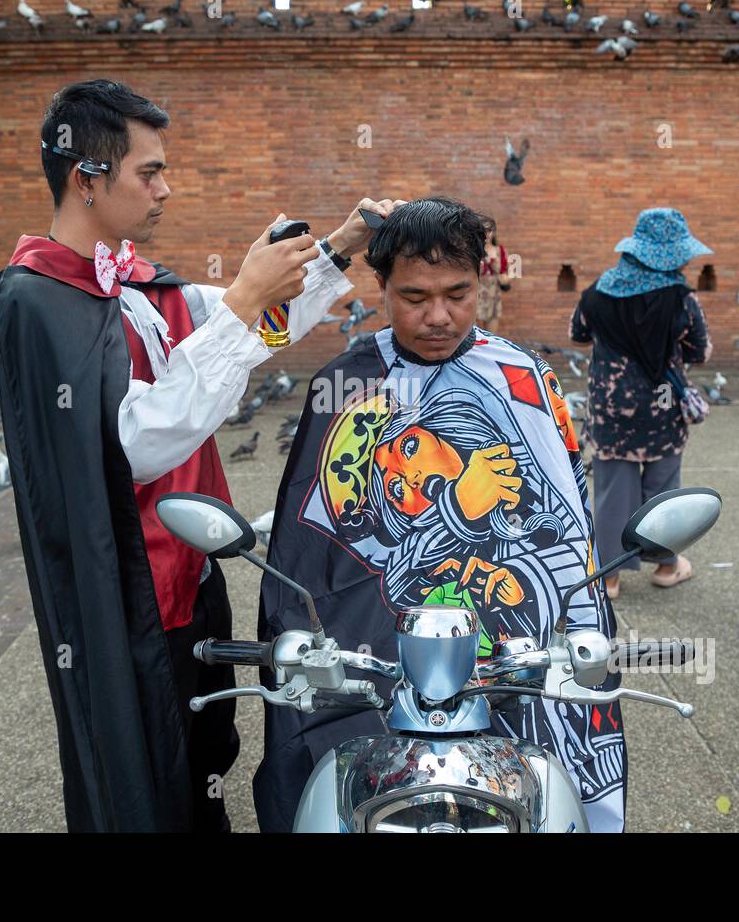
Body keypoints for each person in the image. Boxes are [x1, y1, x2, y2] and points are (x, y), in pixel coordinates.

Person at [0, 79, 388, 831]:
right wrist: (241, 300)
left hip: (187, 568)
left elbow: (253, 333)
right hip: (128, 589)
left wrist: (339, 246)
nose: (165, 189)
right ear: (87, 179)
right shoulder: (36, 298)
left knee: (200, 750)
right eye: (149, 172)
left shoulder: (135, 284)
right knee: (149, 759)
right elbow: (133, 444)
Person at [256, 197, 626, 832]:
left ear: (482, 280)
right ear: (380, 287)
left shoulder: (528, 380)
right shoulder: (344, 387)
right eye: (413, 296)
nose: (437, 316)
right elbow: (319, 566)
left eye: (457, 293)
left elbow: (571, 531)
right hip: (390, 661)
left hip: (515, 652)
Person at [570, 208, 712, 599]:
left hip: (610, 408)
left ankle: (610, 579)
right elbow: (699, 351)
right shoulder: (681, 298)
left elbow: (578, 332)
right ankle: (667, 567)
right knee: (664, 490)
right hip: (662, 407)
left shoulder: (597, 292)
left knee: (612, 492)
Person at [475, 222, 510, 332]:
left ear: (494, 233)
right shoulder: (473, 250)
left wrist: (501, 275)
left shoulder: (500, 251)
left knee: (491, 337)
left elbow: (506, 276)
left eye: (490, 230)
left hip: (493, 295)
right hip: (476, 295)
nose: (487, 234)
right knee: (473, 336)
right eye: (484, 230)